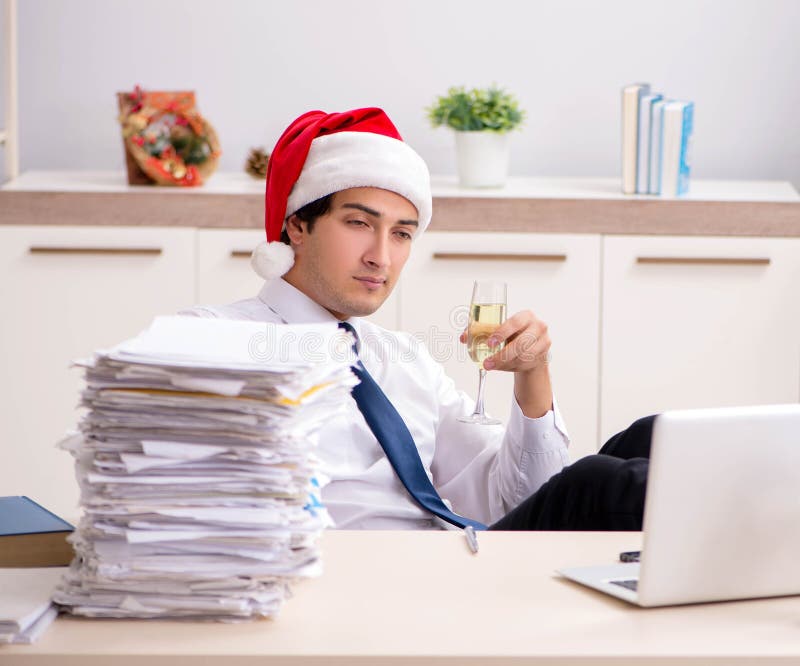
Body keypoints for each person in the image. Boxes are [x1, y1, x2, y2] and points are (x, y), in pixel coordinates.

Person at [181, 107, 650, 531]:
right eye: (359, 224)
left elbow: (516, 500)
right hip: (362, 575)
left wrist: (533, 377)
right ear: (297, 225)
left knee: (648, 438)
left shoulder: (404, 359)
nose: (381, 258)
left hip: (452, 559)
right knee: (602, 485)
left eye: (401, 234)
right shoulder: (218, 339)